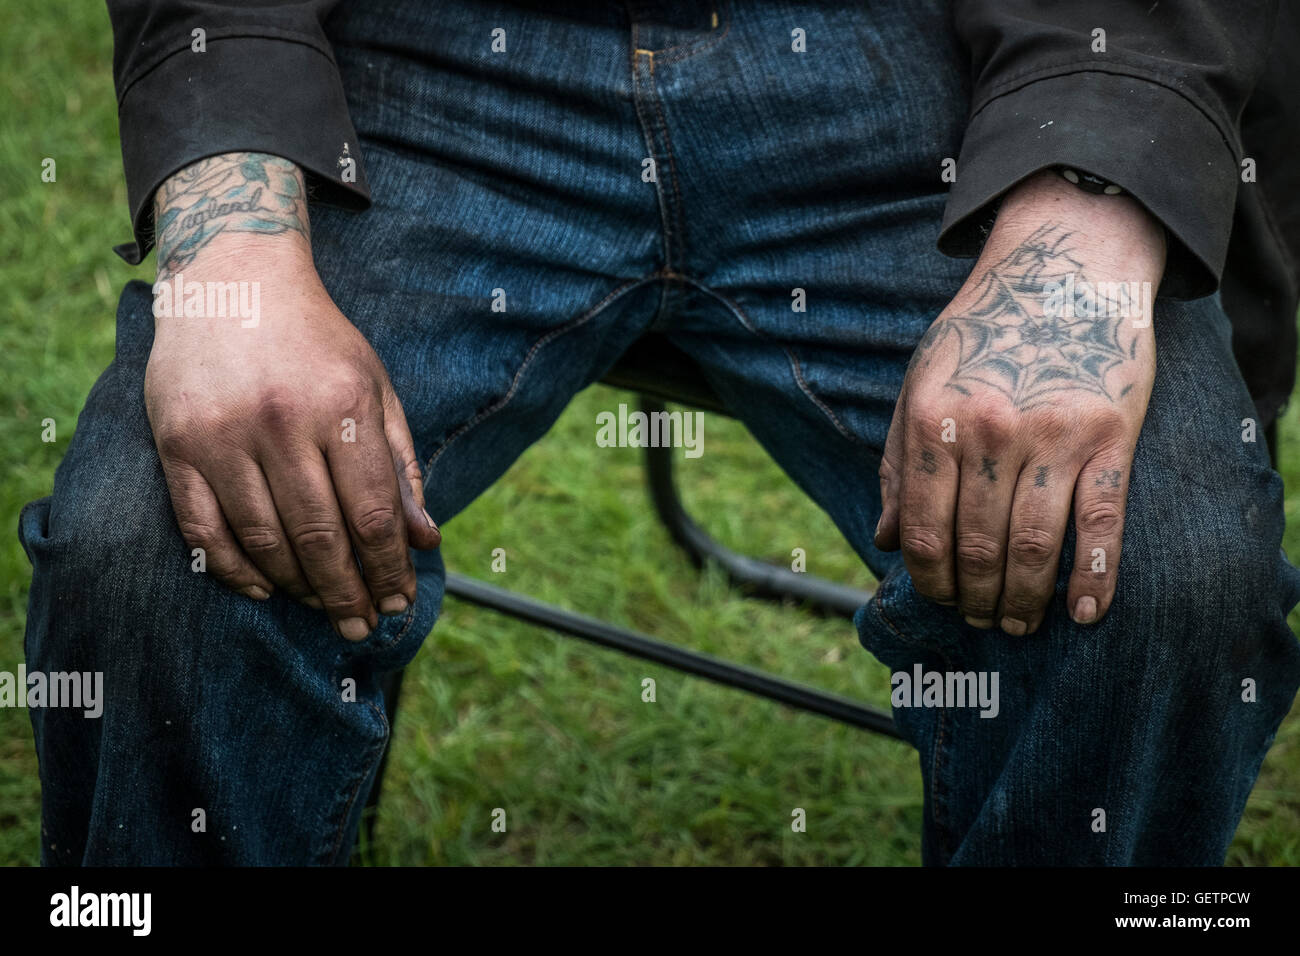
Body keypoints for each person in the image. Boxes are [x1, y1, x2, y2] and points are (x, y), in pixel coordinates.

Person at [19, 0, 1300, 864]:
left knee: (1151, 563)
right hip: (431, 54)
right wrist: (230, 231)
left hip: (937, 61)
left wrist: (1084, 186)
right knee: (156, 548)